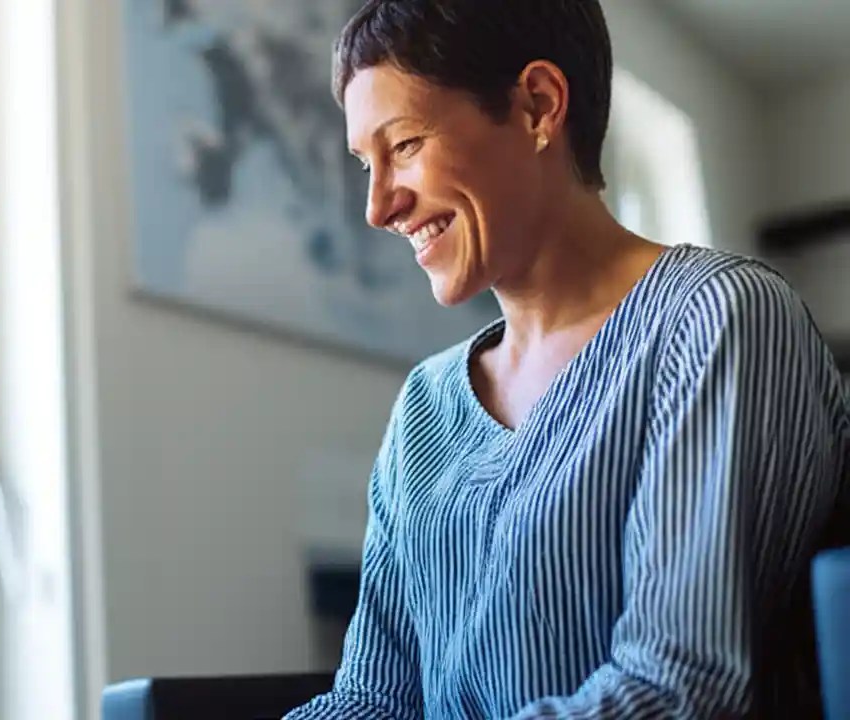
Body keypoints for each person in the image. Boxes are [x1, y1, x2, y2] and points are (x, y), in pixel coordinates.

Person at [284, 1, 850, 718]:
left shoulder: (716, 318)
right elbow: (371, 699)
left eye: (405, 145)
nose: (377, 208)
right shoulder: (425, 404)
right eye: (367, 164)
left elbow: (679, 691)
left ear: (538, 106)